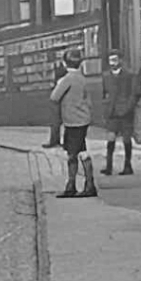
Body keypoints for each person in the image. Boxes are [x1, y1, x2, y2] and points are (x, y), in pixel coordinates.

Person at [49, 47, 98, 199]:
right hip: (82, 120)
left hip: (72, 121)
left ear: (65, 63)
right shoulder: (83, 78)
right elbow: (88, 100)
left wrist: (58, 84)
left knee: (73, 155)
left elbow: (54, 97)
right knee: (81, 151)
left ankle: (76, 185)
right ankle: (85, 184)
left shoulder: (67, 79)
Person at [99, 50, 139, 175]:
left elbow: (133, 94)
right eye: (111, 60)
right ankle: (109, 166)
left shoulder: (130, 75)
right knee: (110, 138)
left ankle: (128, 166)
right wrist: (106, 108)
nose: (113, 63)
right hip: (112, 112)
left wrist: (128, 107)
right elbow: (105, 93)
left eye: (115, 60)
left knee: (126, 139)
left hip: (126, 112)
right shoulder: (105, 76)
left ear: (121, 60)